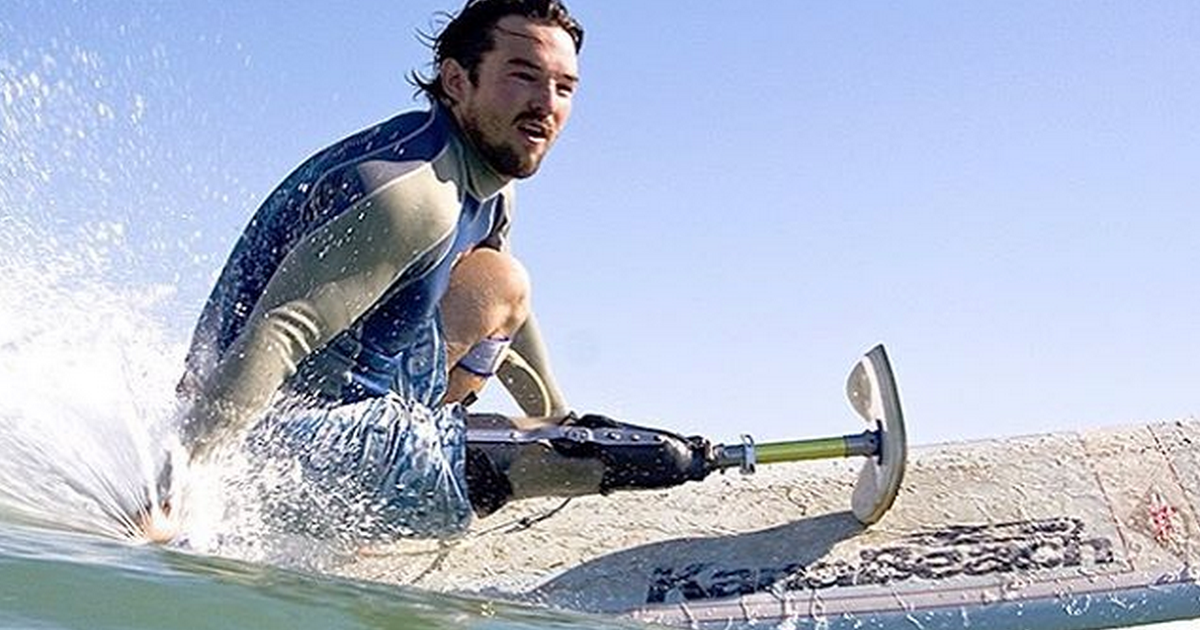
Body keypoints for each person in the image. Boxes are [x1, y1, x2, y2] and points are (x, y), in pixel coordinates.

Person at [156, 0, 713, 542]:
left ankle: (409, 447)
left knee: (502, 282)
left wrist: (558, 418)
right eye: (522, 76)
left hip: (358, 397)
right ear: (456, 81)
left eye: (564, 87)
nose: (546, 103)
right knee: (549, 463)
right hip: (267, 442)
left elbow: (507, 309)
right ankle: (395, 469)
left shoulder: (488, 183)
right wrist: (176, 488)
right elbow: (278, 334)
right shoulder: (415, 193)